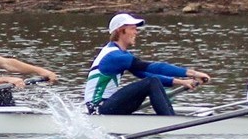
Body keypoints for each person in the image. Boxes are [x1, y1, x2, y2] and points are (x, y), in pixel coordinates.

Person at [83, 12, 212, 116]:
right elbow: (155, 68)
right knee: (151, 82)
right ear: (120, 31)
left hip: (106, 106)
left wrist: (183, 82)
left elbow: (144, 74)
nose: (136, 32)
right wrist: (193, 73)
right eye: (132, 29)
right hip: (99, 108)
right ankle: (170, 122)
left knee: (151, 81)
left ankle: (169, 118)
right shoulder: (114, 56)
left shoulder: (119, 54)